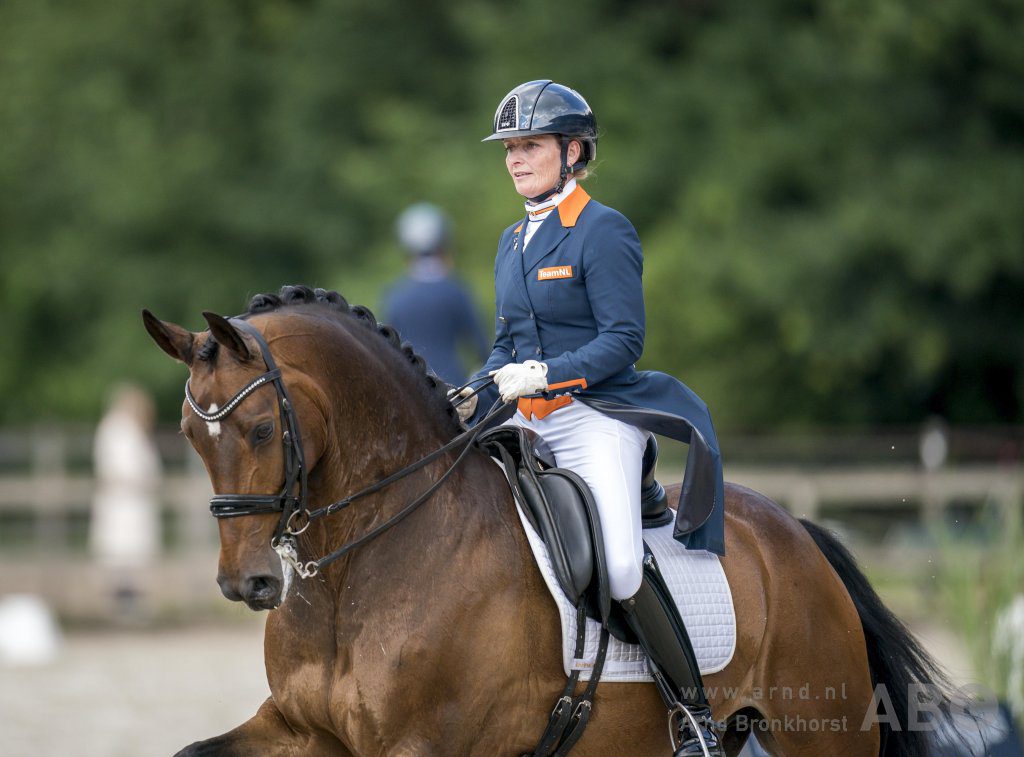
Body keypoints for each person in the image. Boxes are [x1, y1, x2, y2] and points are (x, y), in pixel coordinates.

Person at [455, 80, 726, 756]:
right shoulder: (510, 240)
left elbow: (622, 340)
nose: (516, 159)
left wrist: (545, 374)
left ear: (572, 150)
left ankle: (694, 714)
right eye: (510, 149)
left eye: (531, 146)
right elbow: (507, 343)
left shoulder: (603, 229)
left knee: (623, 566)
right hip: (528, 418)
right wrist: (477, 388)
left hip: (595, 414)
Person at [383, 202, 489, 386]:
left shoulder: (396, 294)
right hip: (452, 387)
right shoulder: (456, 290)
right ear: (444, 245)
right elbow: (482, 347)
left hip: (409, 387)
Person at [89, 382, 162, 619]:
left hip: (134, 501)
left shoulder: (130, 431)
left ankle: (130, 607)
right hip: (124, 501)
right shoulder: (117, 430)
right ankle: (120, 609)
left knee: (131, 556)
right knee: (121, 554)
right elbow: (120, 469)